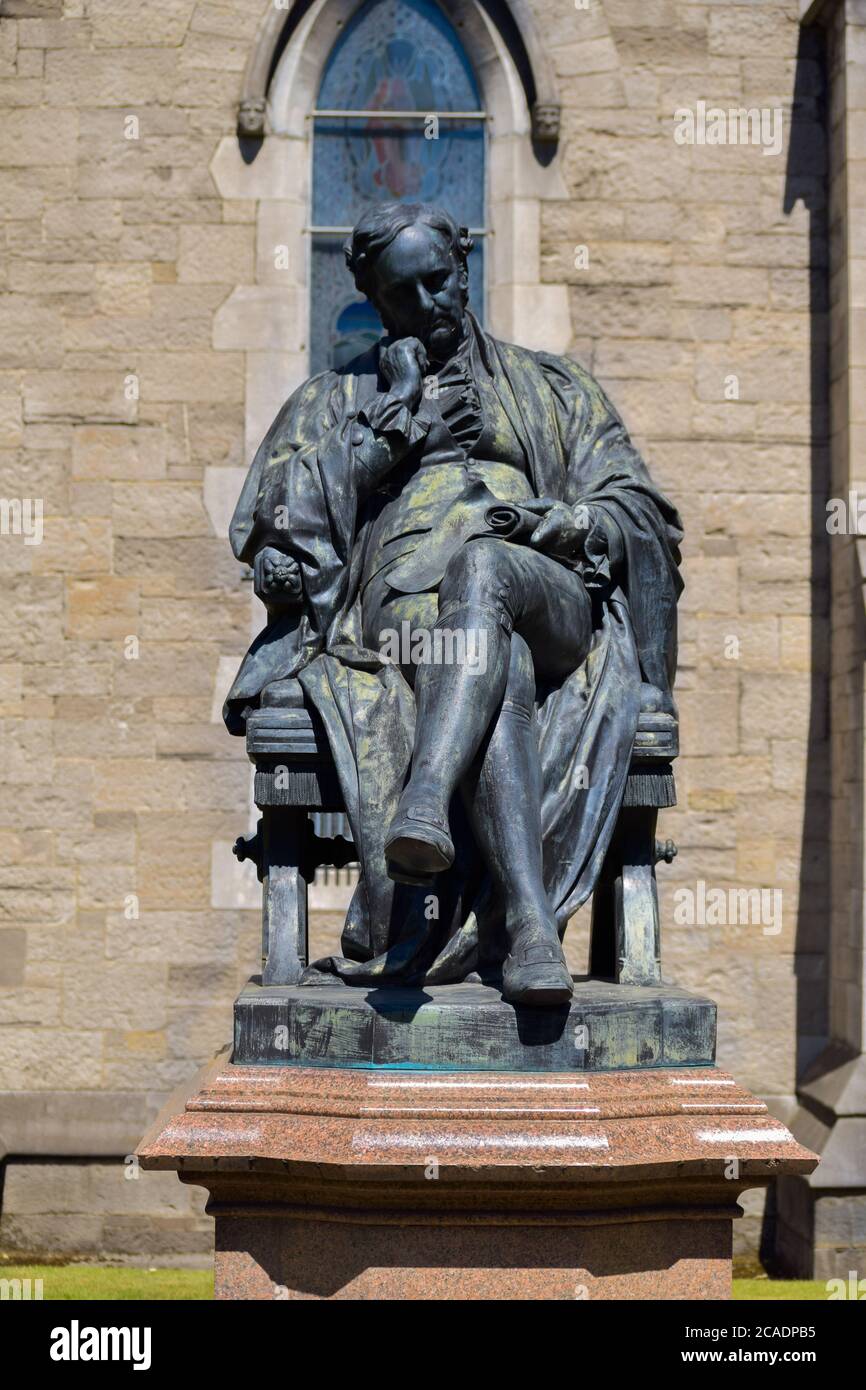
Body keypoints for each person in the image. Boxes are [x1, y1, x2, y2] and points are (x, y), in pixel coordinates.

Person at [225, 202, 682, 1007]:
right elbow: (272, 516)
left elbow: (639, 510)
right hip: (402, 613)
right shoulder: (336, 399)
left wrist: (563, 519)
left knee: (486, 569)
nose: (431, 302)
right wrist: (394, 437)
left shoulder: (553, 386)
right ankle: (532, 931)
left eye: (440, 280)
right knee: (486, 647)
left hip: (551, 600)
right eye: (405, 294)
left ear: (465, 265)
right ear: (375, 301)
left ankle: (426, 797)